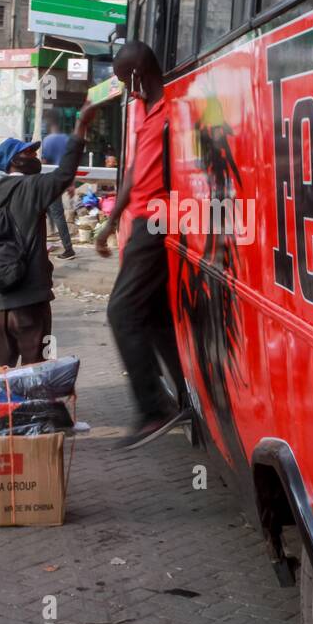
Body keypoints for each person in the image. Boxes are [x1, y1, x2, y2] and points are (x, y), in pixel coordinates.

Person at [97, 41, 189, 449]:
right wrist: (113, 220)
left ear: (138, 73)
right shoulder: (146, 111)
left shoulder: (174, 106)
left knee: (121, 312)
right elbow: (135, 168)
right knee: (153, 316)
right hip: (139, 222)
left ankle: (154, 409)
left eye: (125, 80)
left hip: (159, 219)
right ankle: (184, 399)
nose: (126, 89)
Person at [0, 102, 95, 368]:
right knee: (36, 370)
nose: (36, 157)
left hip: (2, 302)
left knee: (0, 369)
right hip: (30, 300)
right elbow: (65, 173)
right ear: (14, 161)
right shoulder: (30, 187)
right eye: (29, 154)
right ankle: (31, 411)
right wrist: (81, 127)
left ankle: (1, 411)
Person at [40, 118, 76, 260]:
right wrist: (71, 183)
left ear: (49, 124)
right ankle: (57, 244)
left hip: (49, 181)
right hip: (61, 180)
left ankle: (68, 249)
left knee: (54, 214)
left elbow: (44, 161)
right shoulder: (66, 139)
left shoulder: (47, 140)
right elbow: (71, 162)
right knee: (54, 213)